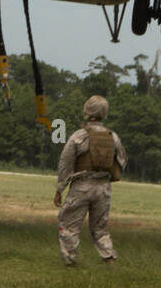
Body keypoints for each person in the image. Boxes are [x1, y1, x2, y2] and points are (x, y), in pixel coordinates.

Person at [54, 95, 128, 266]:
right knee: (100, 227)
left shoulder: (79, 136)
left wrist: (60, 189)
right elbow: (122, 160)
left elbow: (65, 164)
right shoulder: (113, 137)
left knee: (69, 225)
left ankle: (70, 261)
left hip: (81, 185)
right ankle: (109, 258)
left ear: (87, 111)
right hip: (103, 187)